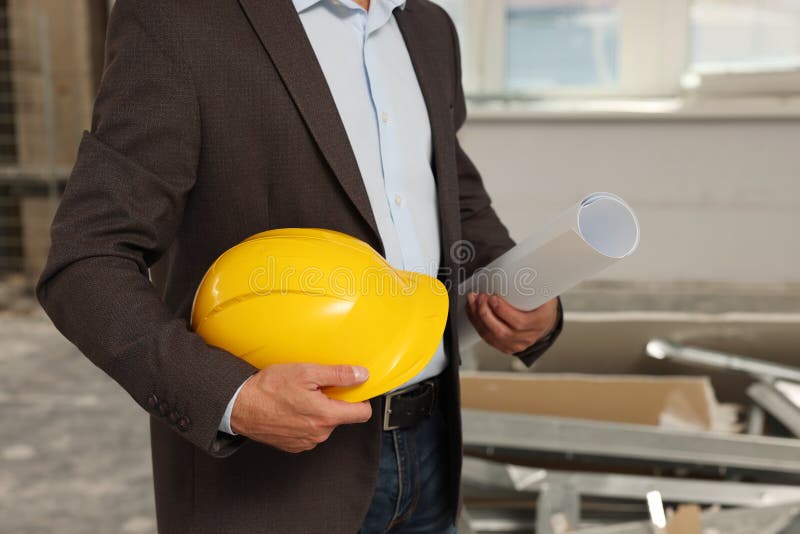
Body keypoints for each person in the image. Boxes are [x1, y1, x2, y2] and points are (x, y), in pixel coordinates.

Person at [37, 0, 563, 532]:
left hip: (431, 451)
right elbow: (88, 257)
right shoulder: (179, 20)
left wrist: (523, 292)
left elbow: (451, 195)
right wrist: (231, 397)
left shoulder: (428, 27)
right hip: (271, 485)